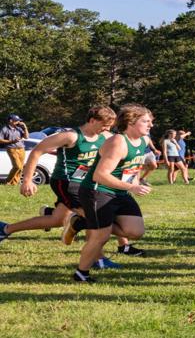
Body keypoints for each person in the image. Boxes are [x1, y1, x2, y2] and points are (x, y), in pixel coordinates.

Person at [1, 106, 113, 246]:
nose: (107, 129)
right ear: (92, 121)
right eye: (104, 125)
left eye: (109, 126)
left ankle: (5, 229)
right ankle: (96, 257)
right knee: (93, 215)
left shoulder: (106, 136)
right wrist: (27, 180)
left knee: (57, 220)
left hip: (86, 183)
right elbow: (37, 151)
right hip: (66, 182)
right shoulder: (71, 136)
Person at [71, 103, 155, 283]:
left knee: (135, 232)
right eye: (146, 121)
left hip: (120, 192)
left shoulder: (144, 140)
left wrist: (136, 181)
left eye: (151, 121)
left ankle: (86, 220)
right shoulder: (118, 142)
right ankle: (81, 273)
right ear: (131, 122)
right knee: (101, 235)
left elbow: (135, 166)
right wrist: (132, 187)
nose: (151, 125)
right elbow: (100, 175)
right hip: (98, 191)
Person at [1, 114, 27, 186]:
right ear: (11, 121)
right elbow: (0, 140)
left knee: (21, 168)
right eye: (16, 120)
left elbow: (26, 137)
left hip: (21, 148)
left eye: (18, 120)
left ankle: (14, 184)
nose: (18, 122)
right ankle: (7, 182)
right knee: (17, 166)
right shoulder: (4, 129)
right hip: (11, 148)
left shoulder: (19, 128)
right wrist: (12, 141)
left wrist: (25, 127)